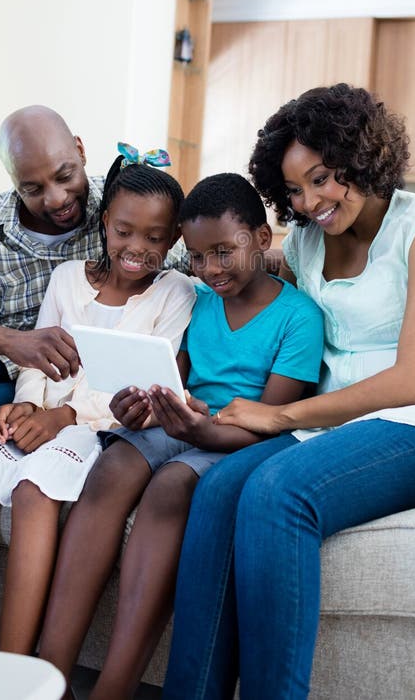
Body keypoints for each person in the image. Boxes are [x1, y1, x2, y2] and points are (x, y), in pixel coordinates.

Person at [163, 83, 415, 700]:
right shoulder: (308, 244)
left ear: (360, 157)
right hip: (337, 427)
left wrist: (278, 414)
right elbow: (227, 265)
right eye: (293, 189)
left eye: (322, 178)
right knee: (216, 489)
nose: (310, 201)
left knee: (278, 490)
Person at [37, 173, 324, 700]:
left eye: (223, 252)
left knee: (171, 485)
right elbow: (176, 374)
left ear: (263, 240)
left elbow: (273, 420)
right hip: (186, 422)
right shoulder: (199, 298)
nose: (211, 269)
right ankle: (47, 678)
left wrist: (203, 431)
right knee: (115, 465)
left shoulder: (299, 318)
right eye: (196, 256)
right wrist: (143, 408)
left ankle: (113, 688)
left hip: (245, 438)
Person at [0, 105, 186, 620]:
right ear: (12, 182)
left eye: (64, 176)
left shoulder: (127, 206)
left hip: (47, 405)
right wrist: (13, 342)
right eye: (33, 188)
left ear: (79, 149)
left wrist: (272, 260)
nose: (55, 198)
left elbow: (202, 250)